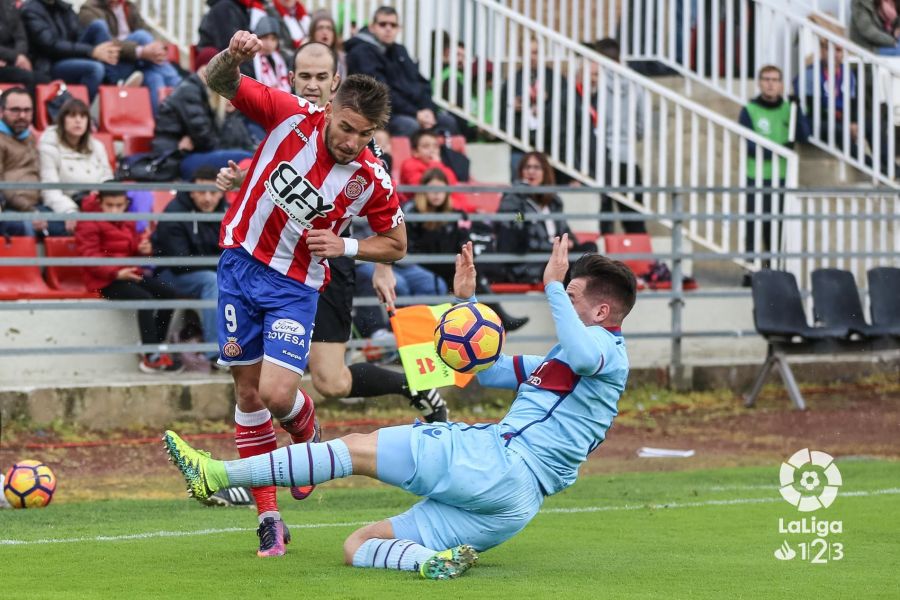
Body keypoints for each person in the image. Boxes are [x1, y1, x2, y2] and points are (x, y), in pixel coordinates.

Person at [164, 236, 637, 579]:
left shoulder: (607, 355)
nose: (562, 298)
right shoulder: (562, 359)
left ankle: (218, 476)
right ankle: (430, 563)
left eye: (574, 296)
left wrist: (554, 286)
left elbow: (581, 354)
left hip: (498, 464)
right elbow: (482, 370)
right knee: (359, 545)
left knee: (353, 447)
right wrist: (466, 303)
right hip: (511, 505)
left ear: (600, 313)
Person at [203, 30, 407, 558]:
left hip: (295, 285)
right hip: (239, 265)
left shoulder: (371, 178)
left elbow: (396, 243)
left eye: (363, 136)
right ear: (329, 108)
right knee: (248, 395)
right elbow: (217, 79)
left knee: (275, 394)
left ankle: (306, 429)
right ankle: (268, 515)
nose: (351, 142)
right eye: (345, 128)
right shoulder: (290, 113)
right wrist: (234, 56)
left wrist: (347, 244)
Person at [217, 41, 450, 425]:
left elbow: (386, 227)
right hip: (256, 259)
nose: (311, 84)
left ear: (335, 83)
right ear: (291, 78)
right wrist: (242, 177)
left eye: (320, 77)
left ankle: (410, 386)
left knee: (331, 381)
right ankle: (260, 475)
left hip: (323, 261)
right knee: (253, 388)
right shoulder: (288, 116)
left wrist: (378, 265)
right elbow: (276, 169)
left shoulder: (363, 145)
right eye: (304, 76)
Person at [404, 168, 528, 331]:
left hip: (451, 266)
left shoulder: (457, 214)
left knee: (472, 272)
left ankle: (494, 322)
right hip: (424, 267)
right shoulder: (413, 214)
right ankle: (498, 320)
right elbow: (410, 249)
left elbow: (464, 244)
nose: (437, 194)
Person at [75, 186, 182, 373]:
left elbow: (130, 249)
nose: (115, 210)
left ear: (126, 204)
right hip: (104, 280)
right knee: (145, 300)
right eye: (110, 206)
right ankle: (151, 356)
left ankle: (154, 344)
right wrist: (116, 273)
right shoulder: (88, 222)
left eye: (119, 205)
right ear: (100, 203)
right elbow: (90, 257)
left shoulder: (127, 220)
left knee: (170, 294)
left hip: (129, 274)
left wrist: (143, 249)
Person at [738, 65, 809, 274]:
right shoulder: (749, 110)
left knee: (777, 227)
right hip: (757, 177)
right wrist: (781, 149)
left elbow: (804, 136)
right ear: (760, 83)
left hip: (783, 177)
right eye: (766, 79)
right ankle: (750, 270)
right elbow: (752, 147)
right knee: (754, 225)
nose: (770, 83)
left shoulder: (789, 109)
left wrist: (799, 110)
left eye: (775, 80)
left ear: (781, 84)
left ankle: (775, 270)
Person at [153, 166, 226, 368]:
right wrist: (219, 264)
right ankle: (216, 354)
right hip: (170, 275)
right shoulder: (174, 212)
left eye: (213, 193)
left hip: (208, 271)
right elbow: (180, 263)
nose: (208, 198)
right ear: (192, 191)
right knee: (212, 282)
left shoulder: (225, 211)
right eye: (202, 192)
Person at [344, 5, 456, 136]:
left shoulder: (400, 50)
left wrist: (428, 110)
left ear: (399, 29)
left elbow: (421, 83)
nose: (388, 28)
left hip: (411, 111)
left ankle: (441, 156)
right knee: (410, 125)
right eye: (383, 24)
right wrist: (416, 113)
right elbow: (380, 93)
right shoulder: (361, 52)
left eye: (393, 25)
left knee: (448, 121)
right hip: (381, 114)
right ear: (372, 27)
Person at [496, 151, 597, 284]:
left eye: (536, 167)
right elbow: (516, 222)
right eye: (527, 167)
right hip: (534, 261)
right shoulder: (515, 201)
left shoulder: (553, 203)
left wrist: (569, 242)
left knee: (590, 248)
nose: (531, 172)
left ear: (545, 172)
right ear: (520, 172)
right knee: (572, 264)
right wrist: (519, 194)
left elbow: (566, 232)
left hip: (556, 255)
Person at [77, 0, 183, 114]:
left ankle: (162, 124)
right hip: (113, 67)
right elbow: (107, 44)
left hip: (137, 64)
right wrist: (140, 52)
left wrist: (156, 49)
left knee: (155, 77)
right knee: (141, 36)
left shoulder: (128, 7)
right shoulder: (89, 10)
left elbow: (148, 33)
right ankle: (182, 88)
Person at [151, 67, 254, 180]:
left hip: (192, 154)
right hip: (176, 159)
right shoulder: (190, 92)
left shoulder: (200, 92)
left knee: (250, 157)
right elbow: (205, 139)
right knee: (247, 158)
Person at [21, 0, 125, 101]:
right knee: (95, 69)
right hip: (50, 63)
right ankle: (83, 110)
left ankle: (113, 83)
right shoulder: (30, 10)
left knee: (99, 26)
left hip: (71, 55)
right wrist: (91, 51)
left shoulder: (65, 8)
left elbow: (79, 34)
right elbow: (50, 45)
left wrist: (94, 51)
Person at [38, 97, 113, 234]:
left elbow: (107, 178)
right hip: (66, 205)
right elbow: (50, 190)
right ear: (62, 120)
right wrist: (70, 211)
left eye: (83, 116)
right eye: (72, 116)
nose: (78, 120)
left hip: (96, 203)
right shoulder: (48, 146)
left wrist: (101, 196)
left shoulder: (97, 146)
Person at [0, 87, 44, 237]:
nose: (22, 116)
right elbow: (2, 187)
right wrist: (32, 212)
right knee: (26, 227)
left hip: (35, 204)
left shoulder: (29, 136)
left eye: (27, 110)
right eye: (15, 110)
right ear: (1, 111)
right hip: (10, 207)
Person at [397, 128, 468, 208]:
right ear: (415, 152)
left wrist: (467, 210)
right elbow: (426, 192)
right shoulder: (409, 165)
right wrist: (435, 165)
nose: (432, 150)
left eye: (435, 146)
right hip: (416, 211)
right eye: (426, 146)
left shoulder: (445, 169)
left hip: (443, 211)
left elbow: (457, 195)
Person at [0, 0, 51, 94]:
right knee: (26, 78)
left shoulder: (8, 5)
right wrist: (15, 57)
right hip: (6, 61)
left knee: (44, 79)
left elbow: (21, 38)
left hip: (12, 61)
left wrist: (20, 56)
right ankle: (23, 108)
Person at [240, 16, 292, 93]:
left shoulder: (282, 60)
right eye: (265, 38)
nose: (269, 44)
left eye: (273, 39)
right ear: (257, 37)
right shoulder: (247, 60)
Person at [308, 10, 346, 79]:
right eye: (320, 28)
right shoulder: (304, 57)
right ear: (312, 33)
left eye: (329, 28)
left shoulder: (342, 58)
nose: (325, 32)